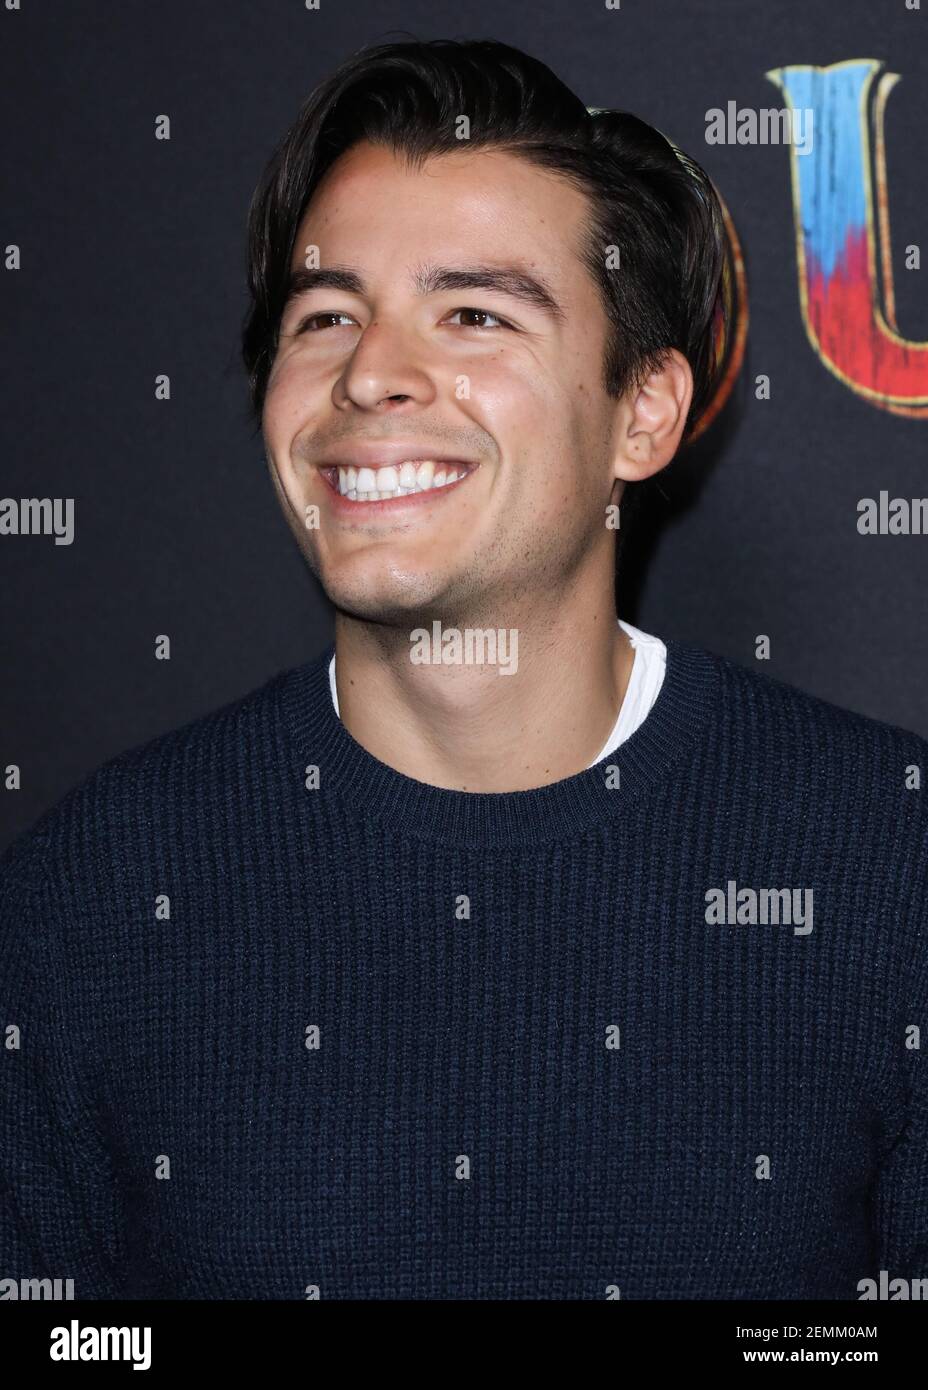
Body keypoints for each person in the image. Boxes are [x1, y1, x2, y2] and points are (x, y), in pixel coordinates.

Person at [1, 37, 925, 1301]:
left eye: (475, 314)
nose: (370, 374)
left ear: (644, 413)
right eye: (326, 316)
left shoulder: (887, 866)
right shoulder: (93, 898)